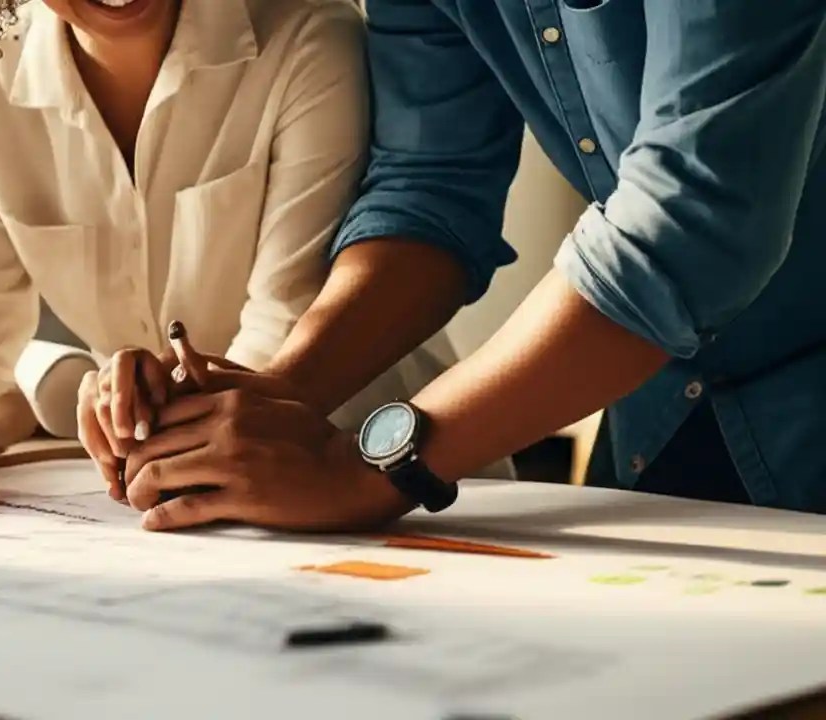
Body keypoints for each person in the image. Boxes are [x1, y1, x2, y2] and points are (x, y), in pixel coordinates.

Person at [114, 0, 826, 531]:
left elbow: (695, 215)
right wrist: (282, 393)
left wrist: (367, 468)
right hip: (657, 411)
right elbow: (431, 187)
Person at [0, 0, 460, 511]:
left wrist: (142, 407)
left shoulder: (309, 38)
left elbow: (281, 324)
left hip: (384, 454)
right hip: (168, 479)